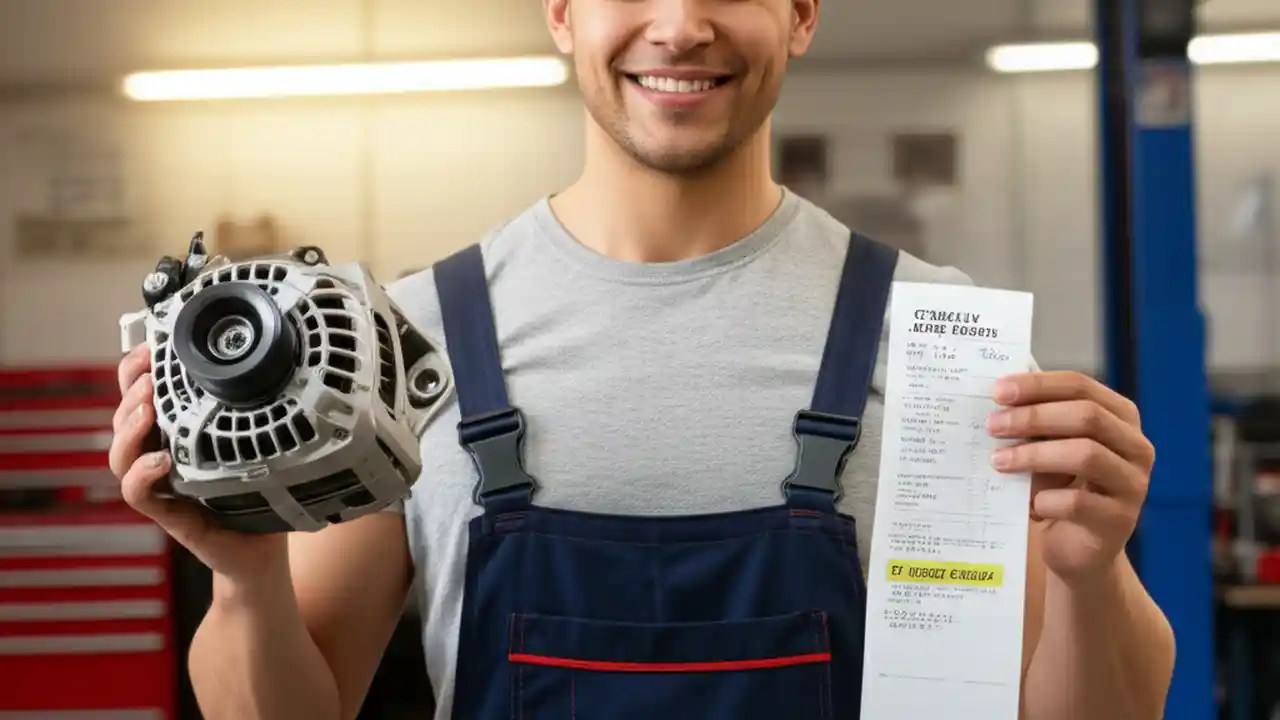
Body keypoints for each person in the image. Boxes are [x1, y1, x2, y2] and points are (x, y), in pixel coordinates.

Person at [109, 1, 1175, 718]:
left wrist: (1090, 575)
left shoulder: (937, 334)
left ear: (800, 12)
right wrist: (246, 579)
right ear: (560, 9)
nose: (678, 25)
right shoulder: (406, 339)